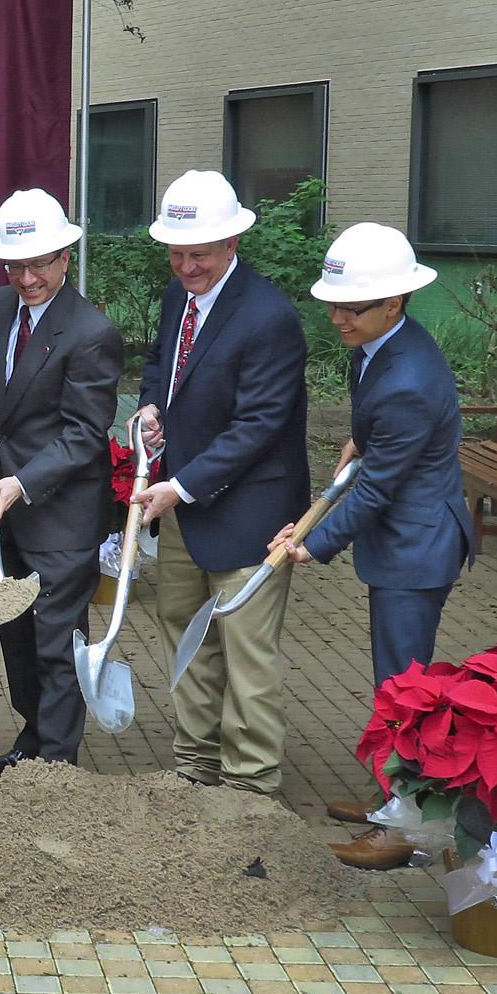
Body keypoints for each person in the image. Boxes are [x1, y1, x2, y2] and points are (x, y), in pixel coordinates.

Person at [270, 223, 476, 867]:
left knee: (407, 689)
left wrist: (314, 543)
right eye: (331, 303)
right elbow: (383, 446)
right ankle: (394, 794)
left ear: (394, 302)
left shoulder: (407, 376)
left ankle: (409, 830)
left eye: (351, 306)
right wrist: (366, 439)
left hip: (417, 546)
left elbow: (377, 490)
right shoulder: (381, 346)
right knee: (394, 686)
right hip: (402, 533)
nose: (336, 317)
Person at [133, 169, 310, 798]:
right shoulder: (177, 298)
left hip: (250, 513)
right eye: (177, 253)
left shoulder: (269, 317)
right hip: (185, 503)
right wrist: (151, 406)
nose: (186, 266)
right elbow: (161, 367)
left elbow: (259, 424)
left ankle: (250, 786)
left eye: (199, 253)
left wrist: (178, 487)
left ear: (232, 243)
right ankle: (194, 770)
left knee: (247, 654)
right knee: (186, 637)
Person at [0, 188, 123, 774]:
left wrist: (20, 482)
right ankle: (33, 736)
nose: (25, 277)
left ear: (64, 258)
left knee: (56, 640)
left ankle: (55, 764)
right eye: (14, 265)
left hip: (59, 510)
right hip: (10, 507)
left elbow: (84, 433)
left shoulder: (91, 333)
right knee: (18, 638)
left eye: (37, 264)